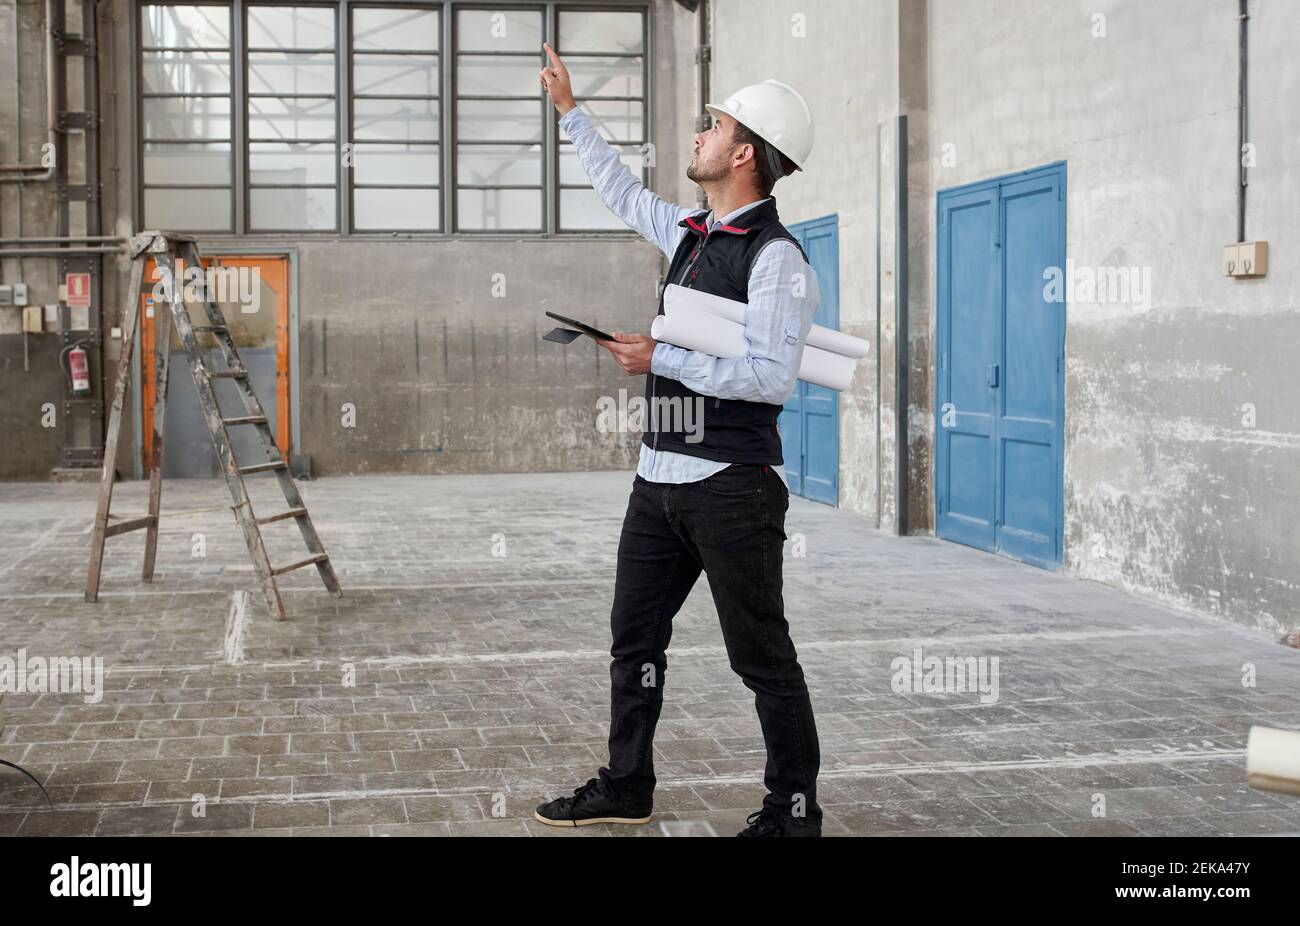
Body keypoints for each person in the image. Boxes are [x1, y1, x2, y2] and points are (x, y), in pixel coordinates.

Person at [533, 43, 823, 837]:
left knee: (760, 657)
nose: (699, 134)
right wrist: (570, 111)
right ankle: (628, 783)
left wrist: (661, 354)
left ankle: (793, 812)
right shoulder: (692, 234)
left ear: (745, 153)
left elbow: (768, 377)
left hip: (732, 485)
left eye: (713, 124)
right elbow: (620, 191)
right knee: (634, 640)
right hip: (658, 480)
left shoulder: (778, 261)